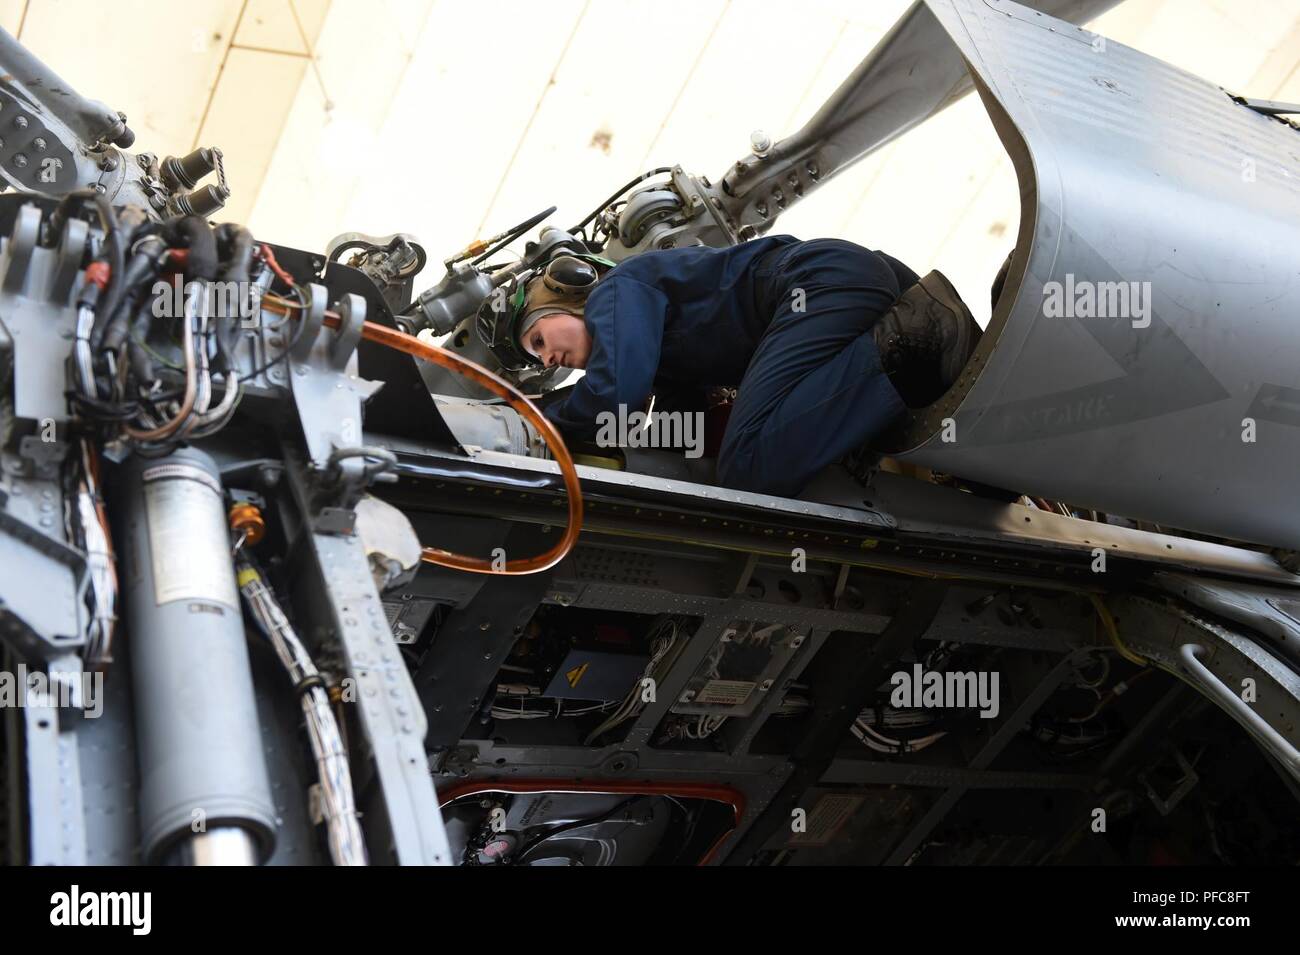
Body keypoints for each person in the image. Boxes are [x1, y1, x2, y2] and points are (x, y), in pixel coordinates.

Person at [515, 234, 978, 498]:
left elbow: (615, 392)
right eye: (539, 361)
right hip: (852, 288)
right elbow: (688, 431)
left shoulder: (614, 291)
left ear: (568, 296)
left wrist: (538, 418)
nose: (549, 360)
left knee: (747, 468)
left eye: (540, 339)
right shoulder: (664, 360)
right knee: (751, 459)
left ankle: (913, 342)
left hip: (821, 284)